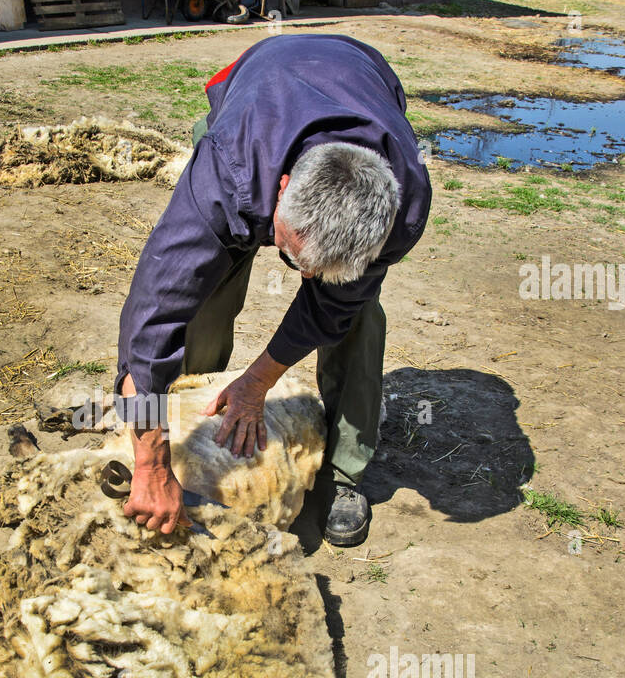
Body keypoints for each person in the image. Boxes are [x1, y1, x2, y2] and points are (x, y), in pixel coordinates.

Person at [114, 33, 431, 546]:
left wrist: (257, 383)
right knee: (200, 294)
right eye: (294, 257)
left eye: (319, 269)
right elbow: (153, 315)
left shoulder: (404, 206)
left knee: (357, 317)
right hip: (256, 105)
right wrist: (150, 464)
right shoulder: (227, 174)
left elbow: (331, 308)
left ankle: (344, 473)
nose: (303, 279)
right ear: (281, 190)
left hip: (363, 79)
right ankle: (189, 421)